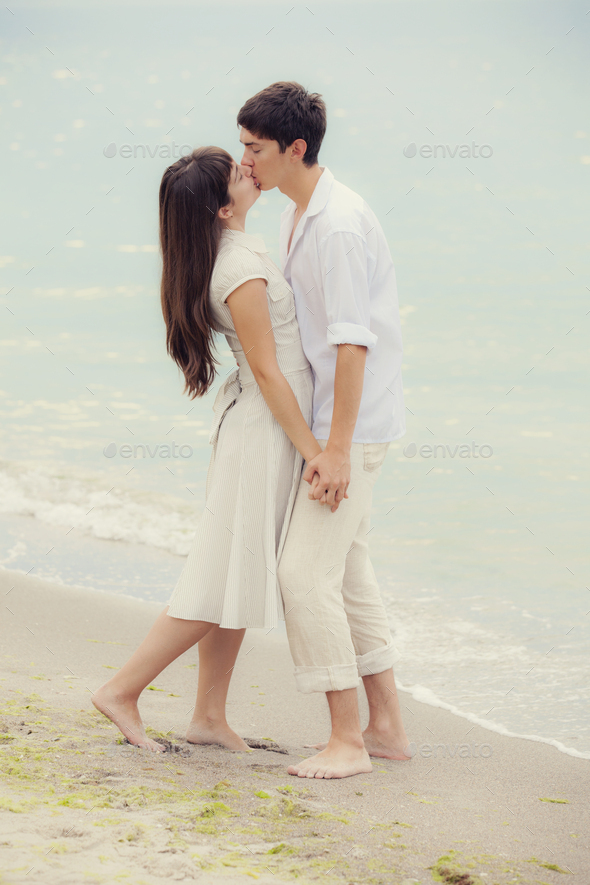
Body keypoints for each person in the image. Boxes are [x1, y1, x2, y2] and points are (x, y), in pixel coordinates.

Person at [92, 145, 324, 752]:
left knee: (237, 576)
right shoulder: (237, 270)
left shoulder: (232, 251)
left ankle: (209, 717)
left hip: (259, 426)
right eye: (238, 172)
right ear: (221, 210)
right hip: (264, 432)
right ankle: (121, 690)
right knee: (216, 579)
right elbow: (271, 374)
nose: (249, 168)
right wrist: (316, 451)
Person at [238, 81, 412, 778]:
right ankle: (390, 726)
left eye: (256, 149)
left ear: (295, 148)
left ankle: (347, 740)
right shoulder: (298, 208)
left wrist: (334, 448)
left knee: (302, 574)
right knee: (347, 573)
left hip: (355, 428)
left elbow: (351, 342)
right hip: (345, 423)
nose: (245, 160)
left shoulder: (336, 223)